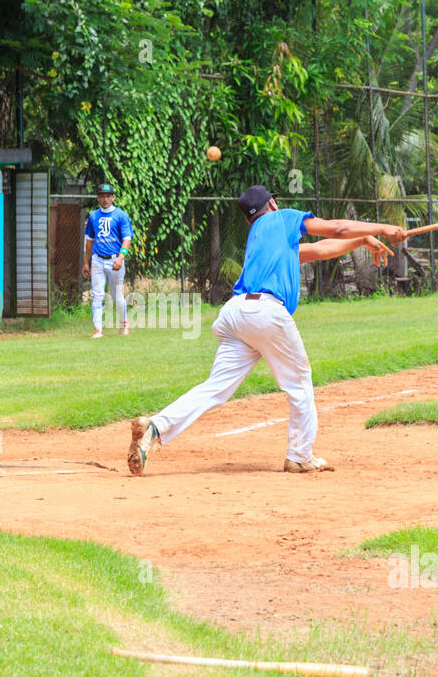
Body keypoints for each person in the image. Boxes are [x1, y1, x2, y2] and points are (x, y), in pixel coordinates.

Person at [127, 185, 405, 475]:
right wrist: (385, 228)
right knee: (299, 382)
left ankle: (156, 427)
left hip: (235, 315)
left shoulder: (261, 237)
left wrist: (363, 240)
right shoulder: (282, 218)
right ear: (272, 204)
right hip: (264, 313)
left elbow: (320, 250)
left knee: (215, 389)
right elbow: (335, 228)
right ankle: (299, 456)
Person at [81, 183, 133, 338]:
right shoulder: (93, 216)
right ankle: (98, 329)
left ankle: (124, 323)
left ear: (113, 197)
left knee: (117, 296)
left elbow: (127, 239)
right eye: (102, 196)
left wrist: (121, 257)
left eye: (108, 196)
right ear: (98, 197)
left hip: (115, 260)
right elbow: (90, 240)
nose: (105, 199)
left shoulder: (121, 215)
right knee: (97, 295)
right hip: (97, 260)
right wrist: (85, 262)